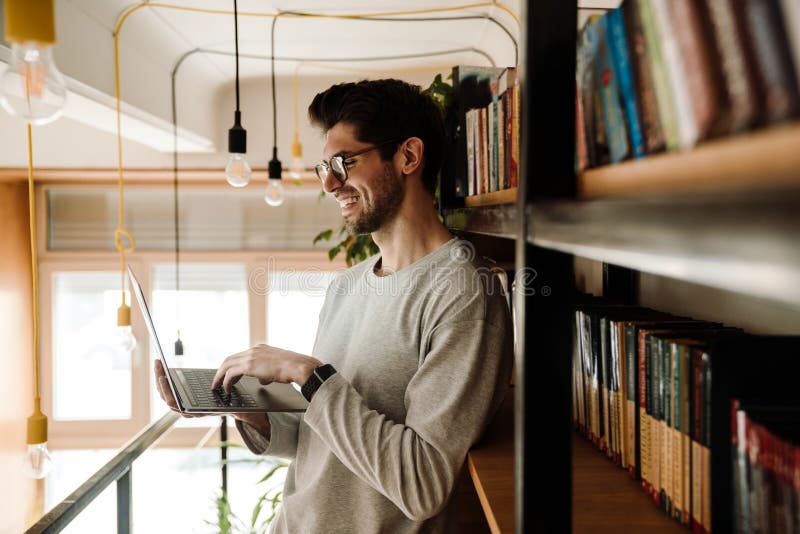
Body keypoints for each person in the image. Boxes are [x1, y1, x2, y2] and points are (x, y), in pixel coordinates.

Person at [154, 78, 513, 533]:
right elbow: (323, 439)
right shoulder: (348, 285)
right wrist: (250, 412)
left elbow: (424, 483)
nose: (329, 182)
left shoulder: (463, 292)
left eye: (344, 162)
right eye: (325, 166)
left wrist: (308, 375)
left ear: (407, 156)